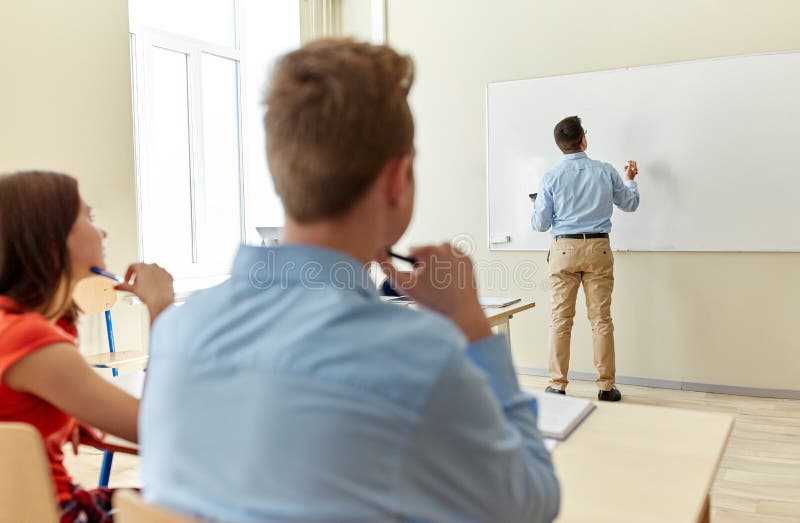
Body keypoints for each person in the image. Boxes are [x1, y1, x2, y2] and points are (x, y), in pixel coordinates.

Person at [140, 38, 560, 522]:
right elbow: (532, 503)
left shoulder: (175, 332)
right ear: (398, 179)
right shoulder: (419, 358)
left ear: (281, 174)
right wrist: (471, 326)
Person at [0, 170, 174, 521]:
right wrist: (160, 308)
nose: (103, 232)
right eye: (90, 219)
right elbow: (159, 427)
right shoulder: (33, 340)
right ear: (52, 239)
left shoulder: (13, 325)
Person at [531, 116, 640, 401]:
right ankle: (606, 387)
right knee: (601, 320)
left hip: (563, 250)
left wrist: (535, 207)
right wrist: (631, 182)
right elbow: (630, 204)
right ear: (583, 140)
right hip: (598, 249)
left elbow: (541, 224)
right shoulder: (605, 171)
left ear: (560, 146)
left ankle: (557, 385)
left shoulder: (551, 177)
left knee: (560, 319)